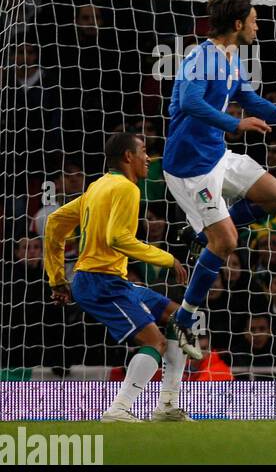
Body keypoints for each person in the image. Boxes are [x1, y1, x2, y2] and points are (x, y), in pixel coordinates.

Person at [164, 0, 276, 342]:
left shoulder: (230, 58)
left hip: (215, 154)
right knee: (226, 241)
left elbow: (250, 99)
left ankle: (198, 234)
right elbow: (191, 102)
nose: (258, 25)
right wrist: (235, 124)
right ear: (237, 23)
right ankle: (184, 316)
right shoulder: (201, 56)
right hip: (190, 166)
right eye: (254, 19)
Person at [42, 133, 198, 422]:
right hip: (101, 281)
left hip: (107, 279)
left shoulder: (97, 186)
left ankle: (167, 406)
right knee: (156, 342)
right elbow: (118, 238)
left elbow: (54, 223)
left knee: (179, 316)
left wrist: (57, 279)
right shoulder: (127, 188)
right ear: (128, 157)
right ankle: (119, 409)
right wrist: (167, 258)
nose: (148, 158)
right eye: (143, 151)